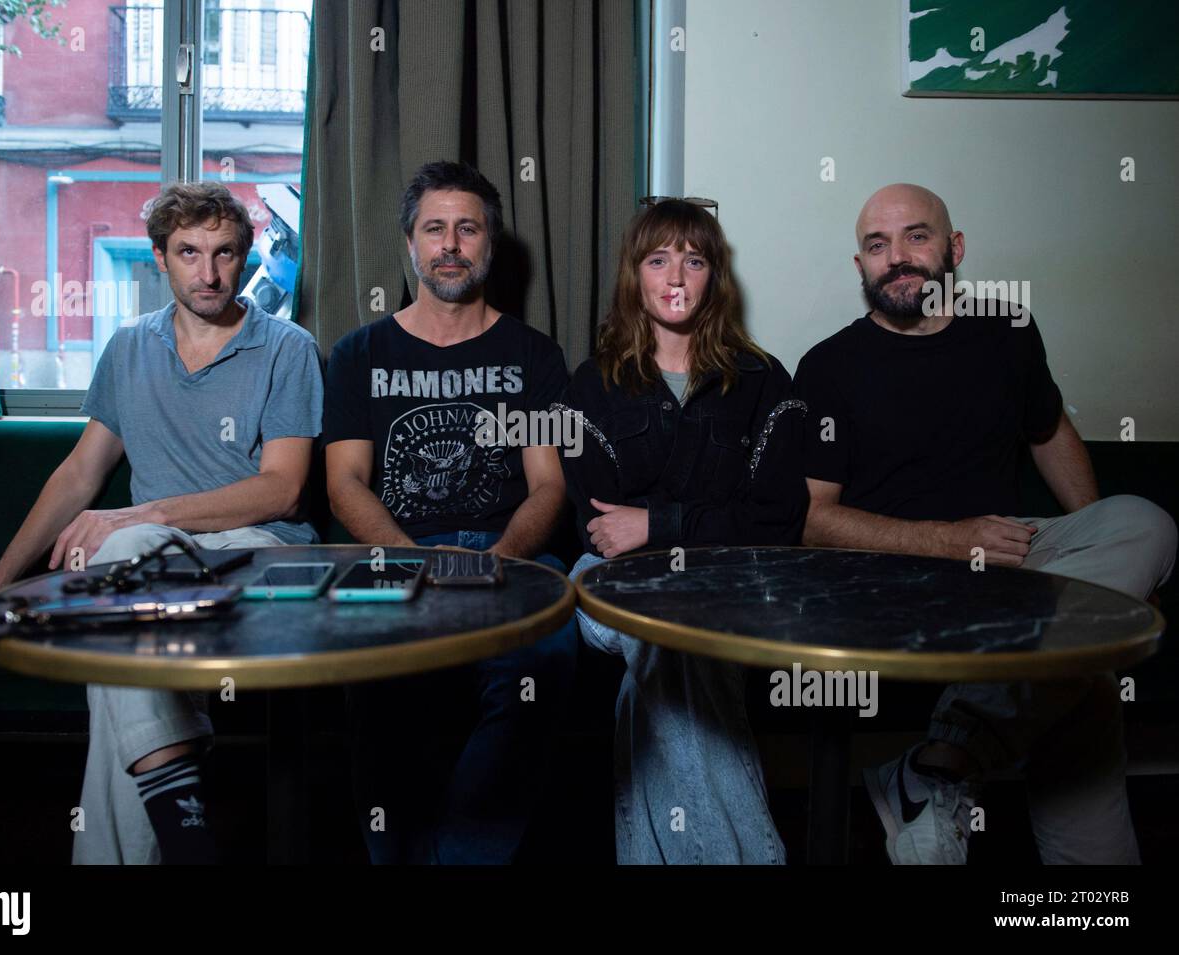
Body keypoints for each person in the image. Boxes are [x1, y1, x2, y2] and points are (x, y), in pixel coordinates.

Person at [0, 182, 325, 864]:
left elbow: (284, 490)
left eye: (225, 253)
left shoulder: (286, 347)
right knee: (123, 589)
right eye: (189, 252)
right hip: (156, 557)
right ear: (159, 258)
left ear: (245, 259)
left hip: (257, 552)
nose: (208, 273)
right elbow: (79, 474)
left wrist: (142, 510)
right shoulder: (128, 347)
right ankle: (183, 831)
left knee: (121, 556)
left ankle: (162, 832)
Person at [794, 182, 1177, 864]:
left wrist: (1109, 584)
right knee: (1083, 668)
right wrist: (948, 539)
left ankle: (939, 764)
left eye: (917, 236)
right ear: (861, 267)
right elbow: (812, 520)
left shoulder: (1009, 332)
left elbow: (1050, 431)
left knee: (1144, 523)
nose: (898, 258)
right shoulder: (828, 367)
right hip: (894, 585)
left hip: (1015, 568)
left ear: (955, 247)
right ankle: (952, 759)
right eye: (877, 246)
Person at [321, 160, 577, 864]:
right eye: (435, 228)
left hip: (510, 555)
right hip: (398, 552)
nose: (452, 244)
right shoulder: (358, 354)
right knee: (370, 680)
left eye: (469, 228)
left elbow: (548, 486)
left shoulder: (532, 355)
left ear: (490, 244)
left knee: (546, 661)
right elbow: (345, 484)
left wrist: (500, 559)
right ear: (410, 243)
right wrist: (416, 565)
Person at [557, 199, 809, 863]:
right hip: (611, 586)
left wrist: (659, 521)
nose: (676, 275)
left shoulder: (762, 380)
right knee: (673, 626)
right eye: (658, 258)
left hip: (733, 587)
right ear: (634, 276)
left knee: (674, 648)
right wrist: (694, 525)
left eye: (693, 259)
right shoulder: (592, 385)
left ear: (713, 277)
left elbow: (779, 522)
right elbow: (603, 534)